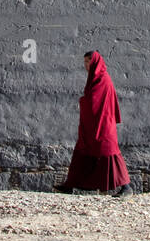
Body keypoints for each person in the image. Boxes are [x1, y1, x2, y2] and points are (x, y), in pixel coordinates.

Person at [56, 50, 133, 197]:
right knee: (82, 152)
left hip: (103, 125)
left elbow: (95, 101)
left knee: (109, 153)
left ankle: (126, 187)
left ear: (95, 62)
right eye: (84, 62)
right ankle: (70, 185)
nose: (86, 65)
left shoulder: (102, 78)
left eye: (88, 61)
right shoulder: (94, 78)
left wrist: (83, 101)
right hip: (92, 125)